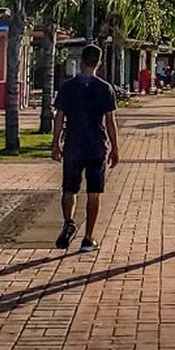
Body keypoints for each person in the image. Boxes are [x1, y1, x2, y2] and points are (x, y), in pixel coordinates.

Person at [51, 44, 119, 253]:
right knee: (94, 192)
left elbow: (59, 117)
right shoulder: (105, 88)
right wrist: (115, 147)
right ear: (99, 62)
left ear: (81, 61)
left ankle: (69, 222)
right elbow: (110, 121)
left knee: (69, 188)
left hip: (73, 143)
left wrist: (55, 143)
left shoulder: (68, 87)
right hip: (96, 145)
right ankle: (88, 238)